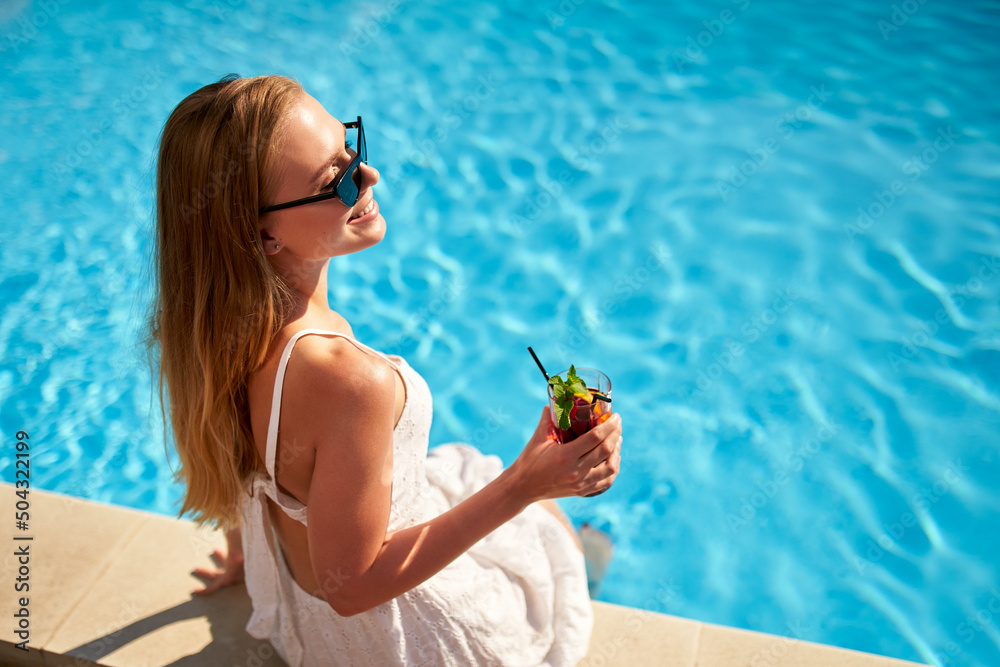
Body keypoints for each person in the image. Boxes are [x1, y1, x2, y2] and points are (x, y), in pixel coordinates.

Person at [149, 73, 623, 667]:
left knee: (459, 469)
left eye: (350, 148)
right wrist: (529, 483)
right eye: (335, 180)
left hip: (306, 626)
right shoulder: (350, 381)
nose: (367, 177)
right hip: (400, 643)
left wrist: (246, 554)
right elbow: (352, 586)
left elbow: (245, 461)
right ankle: (584, 565)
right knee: (543, 527)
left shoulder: (214, 333)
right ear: (261, 234)